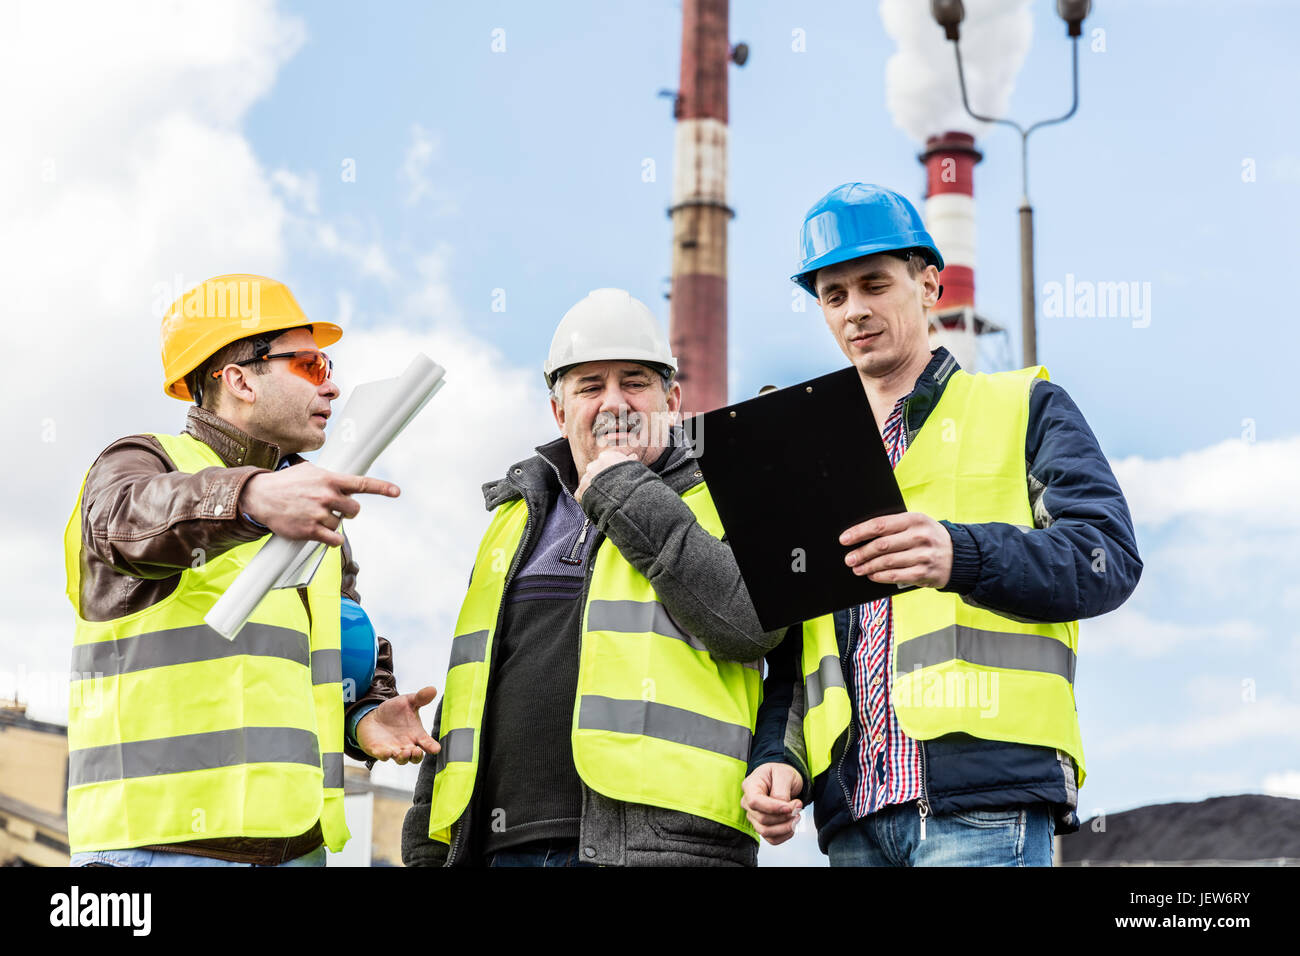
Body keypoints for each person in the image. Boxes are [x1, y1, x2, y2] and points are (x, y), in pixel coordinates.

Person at [741, 184, 1142, 866]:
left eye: (874, 284)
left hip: (985, 805)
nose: (855, 309)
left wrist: (960, 554)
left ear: (930, 284)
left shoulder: (1024, 406)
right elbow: (795, 648)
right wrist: (777, 758)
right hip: (854, 821)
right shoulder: (807, 457)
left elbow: (1105, 557)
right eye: (834, 296)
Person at [65, 274, 439, 867]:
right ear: (239, 379)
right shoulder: (143, 464)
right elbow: (120, 521)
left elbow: (332, 649)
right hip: (158, 850)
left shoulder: (315, 510)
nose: (333, 386)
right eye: (311, 366)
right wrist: (251, 497)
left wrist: (364, 715)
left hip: (297, 848)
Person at [402, 288, 783, 867]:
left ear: (672, 399)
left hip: (662, 847)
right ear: (559, 411)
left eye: (634, 382)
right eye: (589, 386)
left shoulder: (727, 491)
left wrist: (624, 487)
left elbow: (752, 627)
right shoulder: (512, 518)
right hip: (496, 849)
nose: (613, 402)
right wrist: (427, 844)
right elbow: (469, 688)